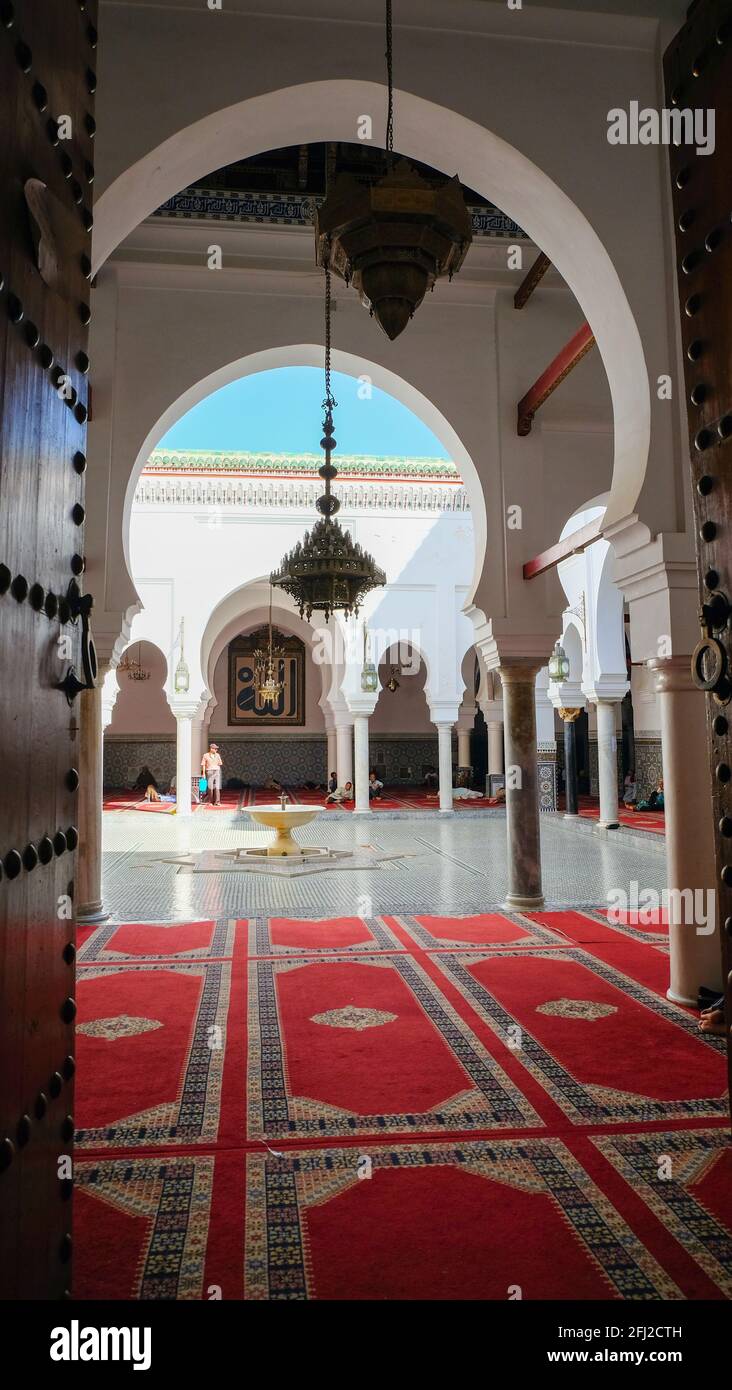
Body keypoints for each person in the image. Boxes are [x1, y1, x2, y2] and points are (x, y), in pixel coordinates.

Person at [201, 741, 223, 807]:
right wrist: (203, 774)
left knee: (217, 787)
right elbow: (203, 765)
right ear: (211, 749)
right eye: (215, 749)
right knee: (210, 787)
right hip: (209, 771)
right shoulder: (206, 755)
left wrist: (215, 764)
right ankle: (210, 801)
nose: (216, 750)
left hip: (217, 771)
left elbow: (220, 763)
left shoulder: (218, 755)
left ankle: (217, 802)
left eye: (216, 749)